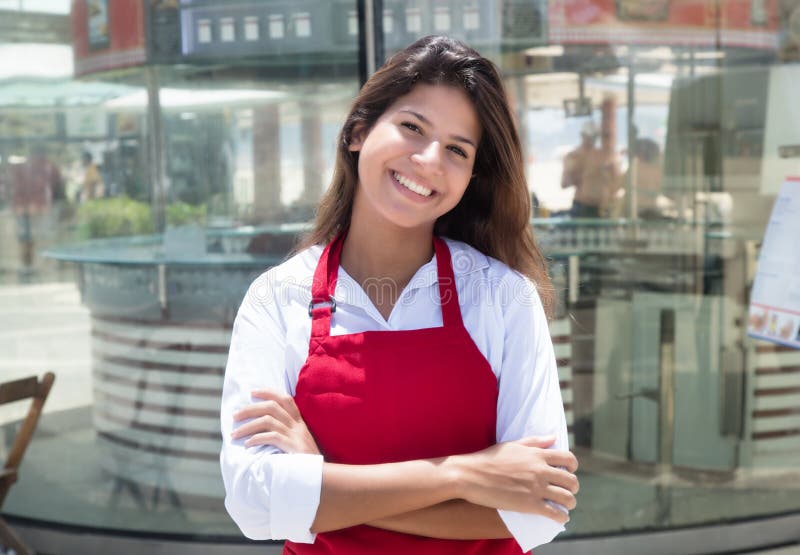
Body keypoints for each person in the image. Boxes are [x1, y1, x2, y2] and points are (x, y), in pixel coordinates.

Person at [220, 36, 578, 554]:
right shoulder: (277, 299)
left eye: (457, 149)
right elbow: (256, 505)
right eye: (412, 127)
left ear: (470, 176)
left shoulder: (504, 296)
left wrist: (324, 486)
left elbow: (540, 510)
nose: (430, 159)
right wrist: (463, 475)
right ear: (359, 131)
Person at [11, 145, 62, 274]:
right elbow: (57, 187)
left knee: (26, 239)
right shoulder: (50, 167)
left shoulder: (22, 168)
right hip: (39, 208)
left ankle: (29, 265)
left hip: (24, 209)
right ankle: (40, 265)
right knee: (40, 238)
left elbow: (16, 189)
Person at [561, 119, 621, 218]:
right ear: (582, 135)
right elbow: (564, 183)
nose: (590, 141)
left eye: (593, 137)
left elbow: (617, 181)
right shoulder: (573, 156)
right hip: (582, 205)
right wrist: (583, 173)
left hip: (603, 207)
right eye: (588, 137)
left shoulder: (604, 156)